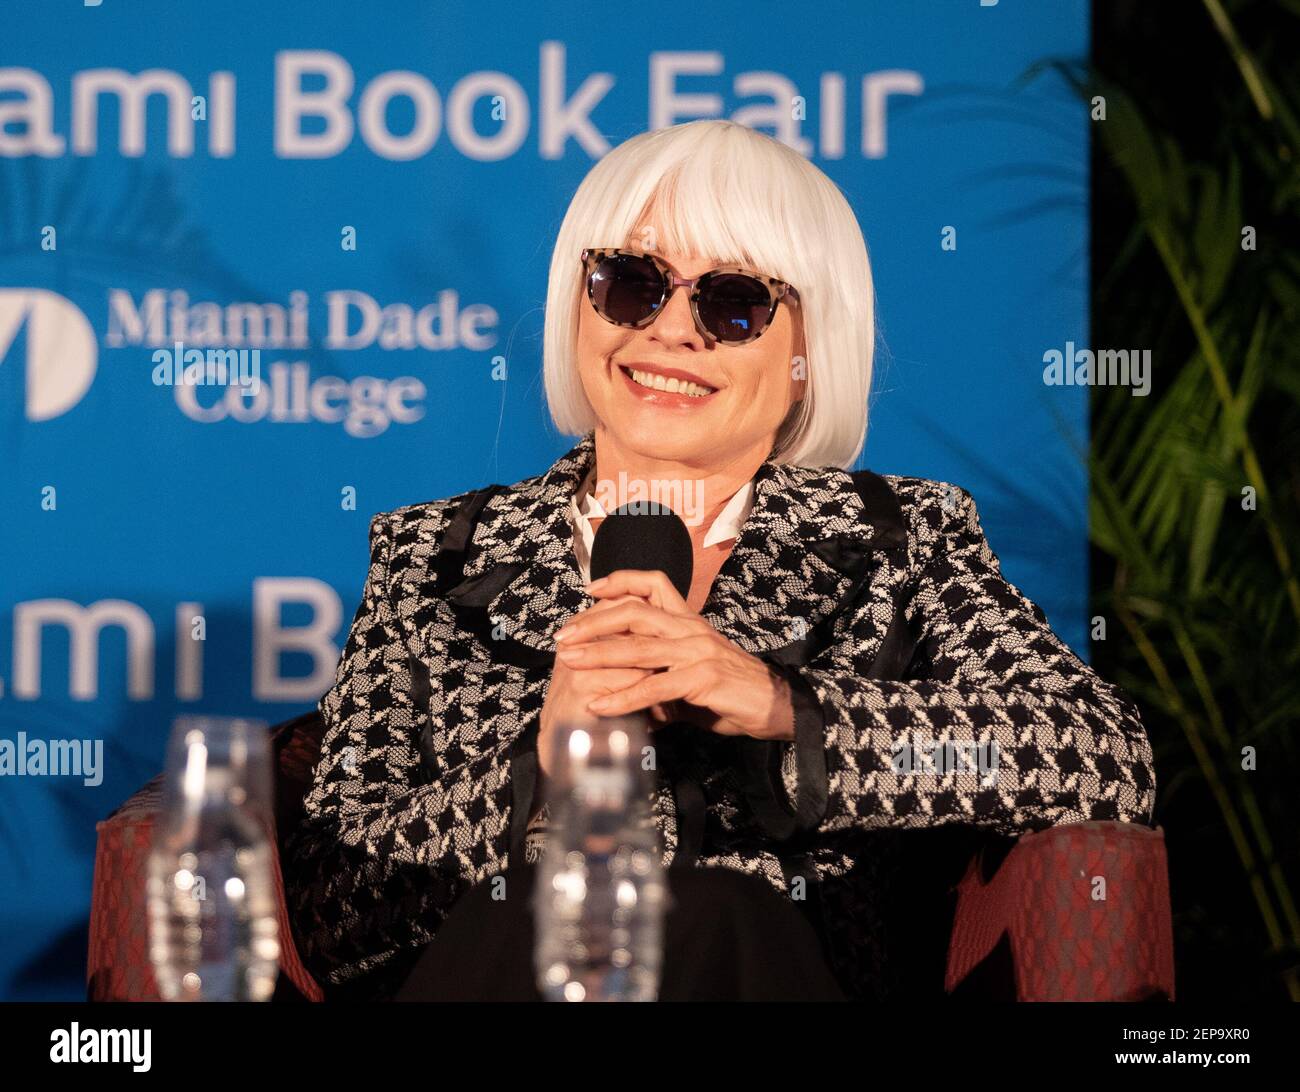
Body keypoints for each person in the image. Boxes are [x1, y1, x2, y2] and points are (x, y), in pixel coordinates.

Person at [284, 119, 1156, 1002]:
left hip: (770, 973)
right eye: (629, 284)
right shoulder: (431, 556)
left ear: (810, 352)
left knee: (718, 915)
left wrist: (780, 706)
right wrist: (535, 766)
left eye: (732, 302)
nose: (670, 333)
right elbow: (332, 915)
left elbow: (1102, 759)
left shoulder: (903, 540)